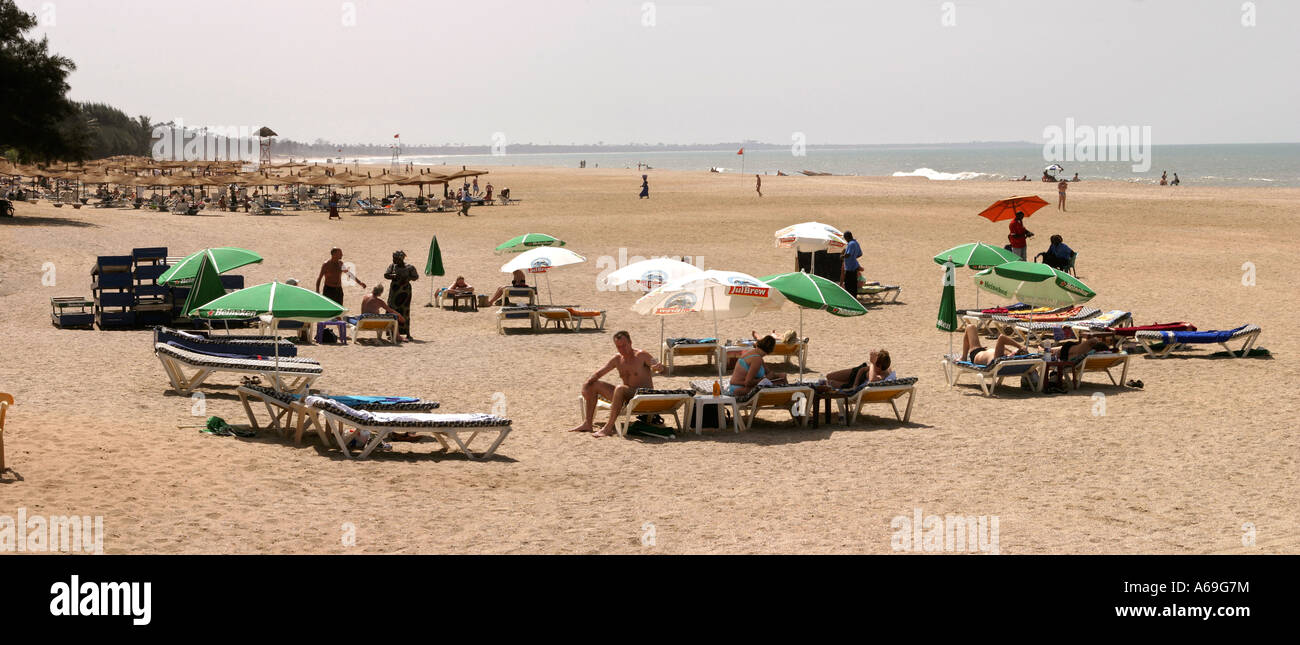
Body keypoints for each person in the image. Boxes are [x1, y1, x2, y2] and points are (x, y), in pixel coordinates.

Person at [571, 331, 667, 437]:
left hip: (642, 395)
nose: (622, 349)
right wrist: (587, 384)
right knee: (594, 384)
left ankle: (608, 428)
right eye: (619, 347)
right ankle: (587, 424)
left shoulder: (642, 355)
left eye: (624, 345)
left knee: (620, 388)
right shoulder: (617, 359)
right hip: (625, 395)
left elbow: (659, 367)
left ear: (630, 343)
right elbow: (599, 373)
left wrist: (660, 368)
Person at [384, 251, 418, 341]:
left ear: (400, 259)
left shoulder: (409, 267)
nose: (393, 260)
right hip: (394, 292)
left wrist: (407, 278)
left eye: (395, 259)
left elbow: (415, 277)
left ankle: (407, 333)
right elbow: (386, 275)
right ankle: (391, 332)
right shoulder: (392, 266)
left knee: (405, 311)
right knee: (392, 310)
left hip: (405, 292)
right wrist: (393, 276)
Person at [961, 324, 1030, 367]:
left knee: (970, 327)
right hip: (983, 353)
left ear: (1014, 353)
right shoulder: (1006, 356)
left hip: (977, 354)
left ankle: (963, 357)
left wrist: (1019, 346)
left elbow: (1002, 337)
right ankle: (964, 356)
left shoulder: (999, 357)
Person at [825, 350, 894, 390]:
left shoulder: (883, 374)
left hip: (851, 384)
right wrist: (855, 384)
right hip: (856, 374)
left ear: (880, 366)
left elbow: (872, 381)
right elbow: (862, 370)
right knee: (829, 376)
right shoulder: (877, 367)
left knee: (828, 382)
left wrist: (872, 363)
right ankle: (846, 381)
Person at [841, 230, 862, 295]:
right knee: (853, 286)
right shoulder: (856, 243)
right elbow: (860, 254)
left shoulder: (851, 244)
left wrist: (842, 256)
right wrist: (853, 258)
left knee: (849, 286)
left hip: (850, 268)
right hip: (854, 267)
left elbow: (848, 254)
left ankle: (850, 301)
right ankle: (854, 300)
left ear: (847, 237)